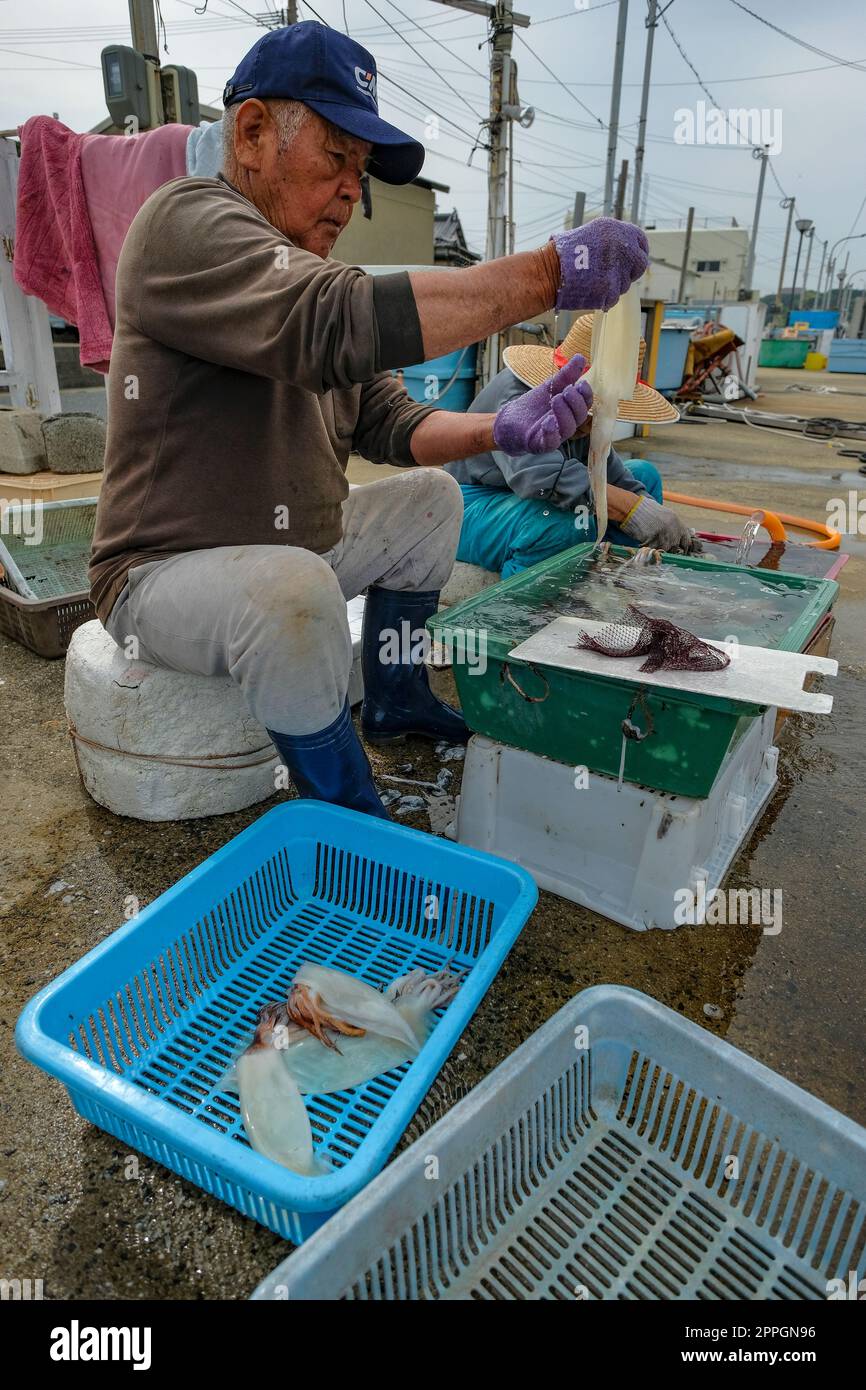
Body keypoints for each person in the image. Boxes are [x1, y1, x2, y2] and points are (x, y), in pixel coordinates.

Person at [89, 21, 649, 819]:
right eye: (335, 156)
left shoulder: (314, 276)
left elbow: (392, 421)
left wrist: (504, 429)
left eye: (362, 170)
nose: (354, 188)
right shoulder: (185, 224)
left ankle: (396, 698)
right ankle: (344, 809)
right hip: (162, 573)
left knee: (434, 499)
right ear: (251, 133)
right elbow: (331, 321)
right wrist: (549, 275)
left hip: (291, 542)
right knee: (296, 590)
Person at [445, 315, 696, 578]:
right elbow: (539, 478)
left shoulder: (588, 421)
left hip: (516, 502)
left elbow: (609, 472)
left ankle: (618, 581)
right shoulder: (518, 395)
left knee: (645, 475)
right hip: (469, 507)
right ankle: (520, 610)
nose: (592, 424)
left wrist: (657, 516)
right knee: (557, 521)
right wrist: (630, 508)